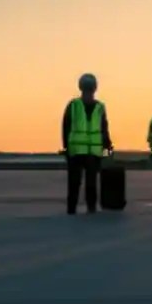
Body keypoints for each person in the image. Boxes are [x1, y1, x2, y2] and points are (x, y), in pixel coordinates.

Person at [61, 73, 113, 215]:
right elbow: (104, 130)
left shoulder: (76, 105)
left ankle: (76, 209)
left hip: (84, 151)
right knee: (84, 182)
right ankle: (87, 209)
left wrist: (66, 148)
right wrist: (108, 150)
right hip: (83, 151)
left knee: (80, 183)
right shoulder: (77, 106)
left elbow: (65, 128)